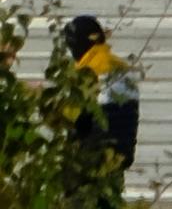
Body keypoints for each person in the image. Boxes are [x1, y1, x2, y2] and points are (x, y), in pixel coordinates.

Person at [54, 11, 140, 179]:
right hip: (118, 157)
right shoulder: (120, 65)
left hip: (91, 159)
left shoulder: (90, 70)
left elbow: (73, 117)